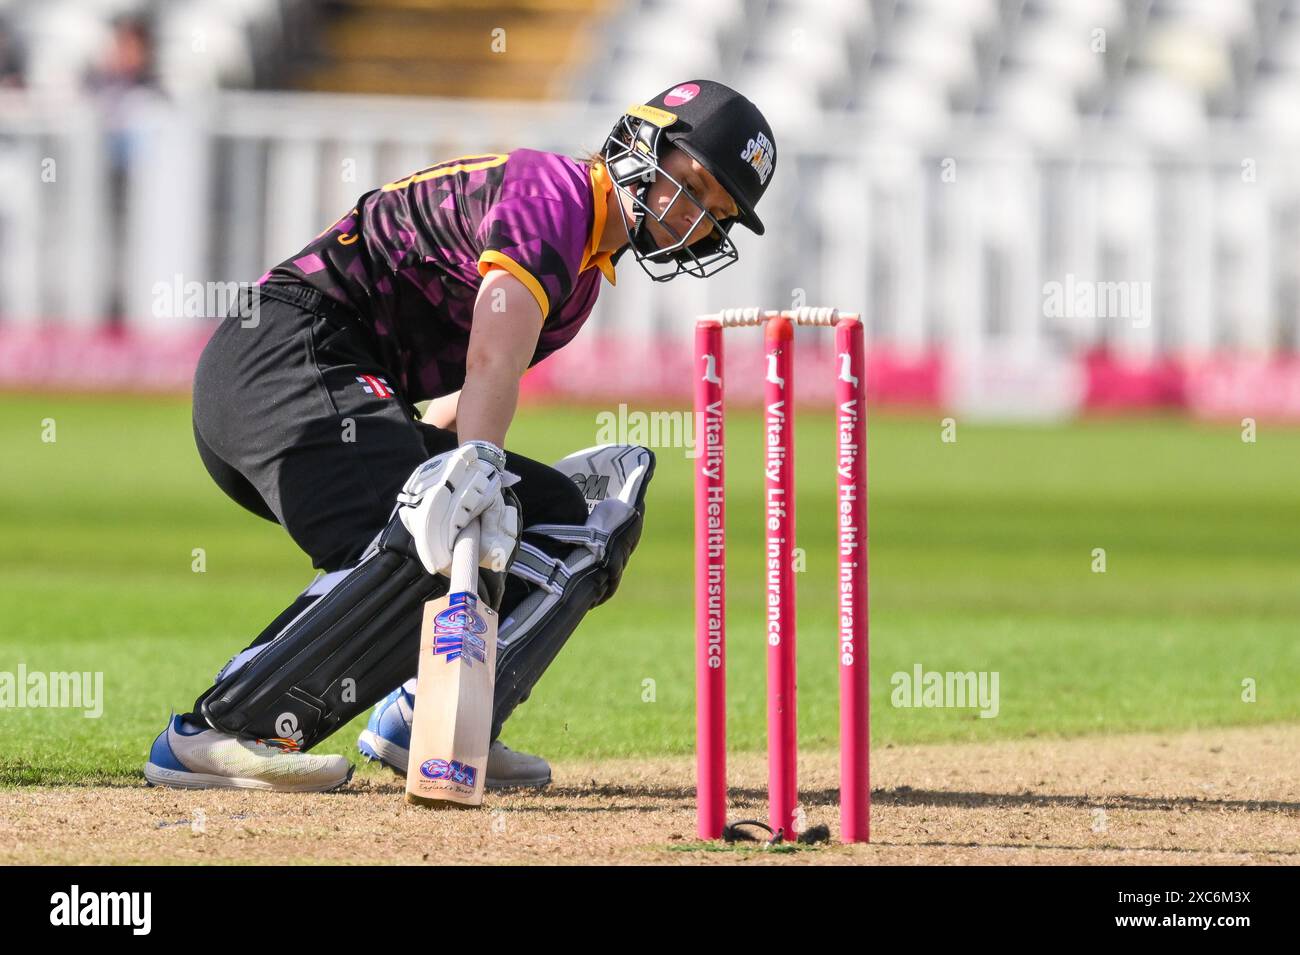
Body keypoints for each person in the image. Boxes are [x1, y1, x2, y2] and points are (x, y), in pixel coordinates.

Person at [144, 79, 778, 792]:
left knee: (569, 518)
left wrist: (476, 480)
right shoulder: (554, 194)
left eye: (714, 213)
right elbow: (491, 361)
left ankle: (439, 720)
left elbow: (456, 403)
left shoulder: (581, 282)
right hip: (283, 356)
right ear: (642, 144)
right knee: (436, 522)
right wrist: (471, 477)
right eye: (690, 185)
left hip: (339, 383)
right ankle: (219, 728)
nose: (690, 219)